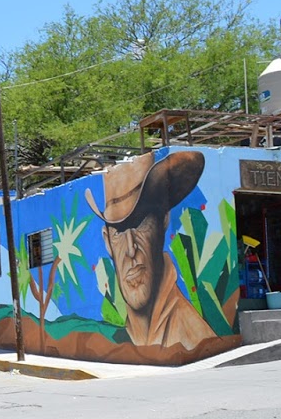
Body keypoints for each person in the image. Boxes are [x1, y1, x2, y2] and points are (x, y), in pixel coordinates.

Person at [85, 150, 217, 351]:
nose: (131, 250)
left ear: (163, 221)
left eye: (140, 224)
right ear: (107, 242)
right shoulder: (110, 338)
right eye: (119, 231)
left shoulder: (194, 338)